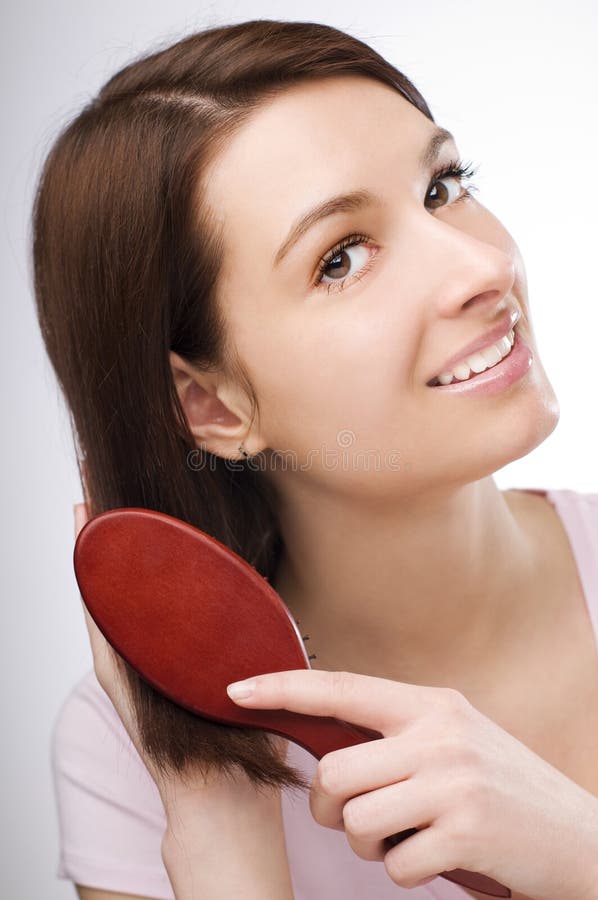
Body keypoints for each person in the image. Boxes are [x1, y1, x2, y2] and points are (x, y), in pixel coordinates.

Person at [34, 17, 598, 900]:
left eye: (444, 187)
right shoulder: (133, 768)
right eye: (340, 259)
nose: (482, 269)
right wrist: (225, 848)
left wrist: (581, 855)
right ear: (211, 406)